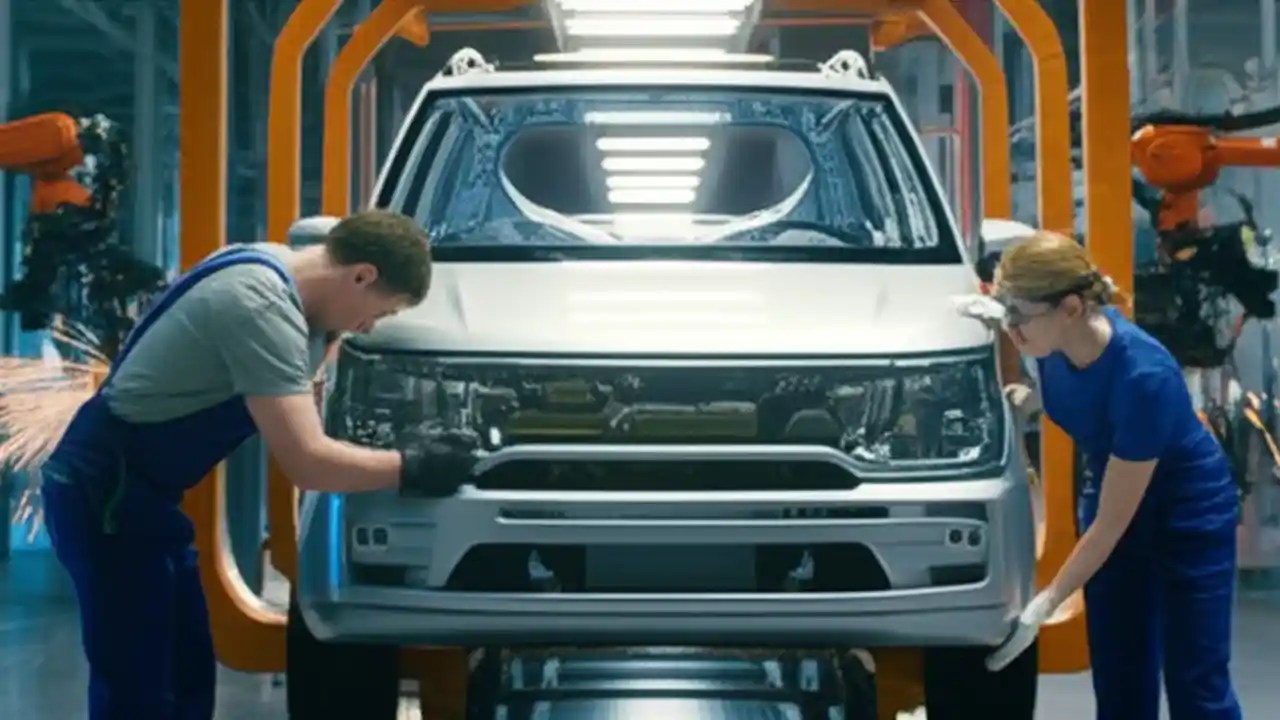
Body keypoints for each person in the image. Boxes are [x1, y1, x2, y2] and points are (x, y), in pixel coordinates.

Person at [41, 209, 480, 720]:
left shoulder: (278, 265)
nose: (368, 327)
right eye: (378, 313)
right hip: (104, 495)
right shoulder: (261, 309)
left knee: (186, 672)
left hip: (145, 500)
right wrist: (414, 465)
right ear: (361, 275)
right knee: (139, 688)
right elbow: (309, 462)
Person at [982, 231, 1243, 719]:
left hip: (1186, 513)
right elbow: (1072, 386)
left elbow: (1110, 525)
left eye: (1018, 317)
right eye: (1006, 314)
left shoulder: (1143, 378)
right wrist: (1021, 392)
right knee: (1119, 679)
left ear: (1072, 308)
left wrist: (1050, 600)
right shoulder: (1054, 342)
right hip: (1110, 485)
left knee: (1196, 684)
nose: (1011, 329)